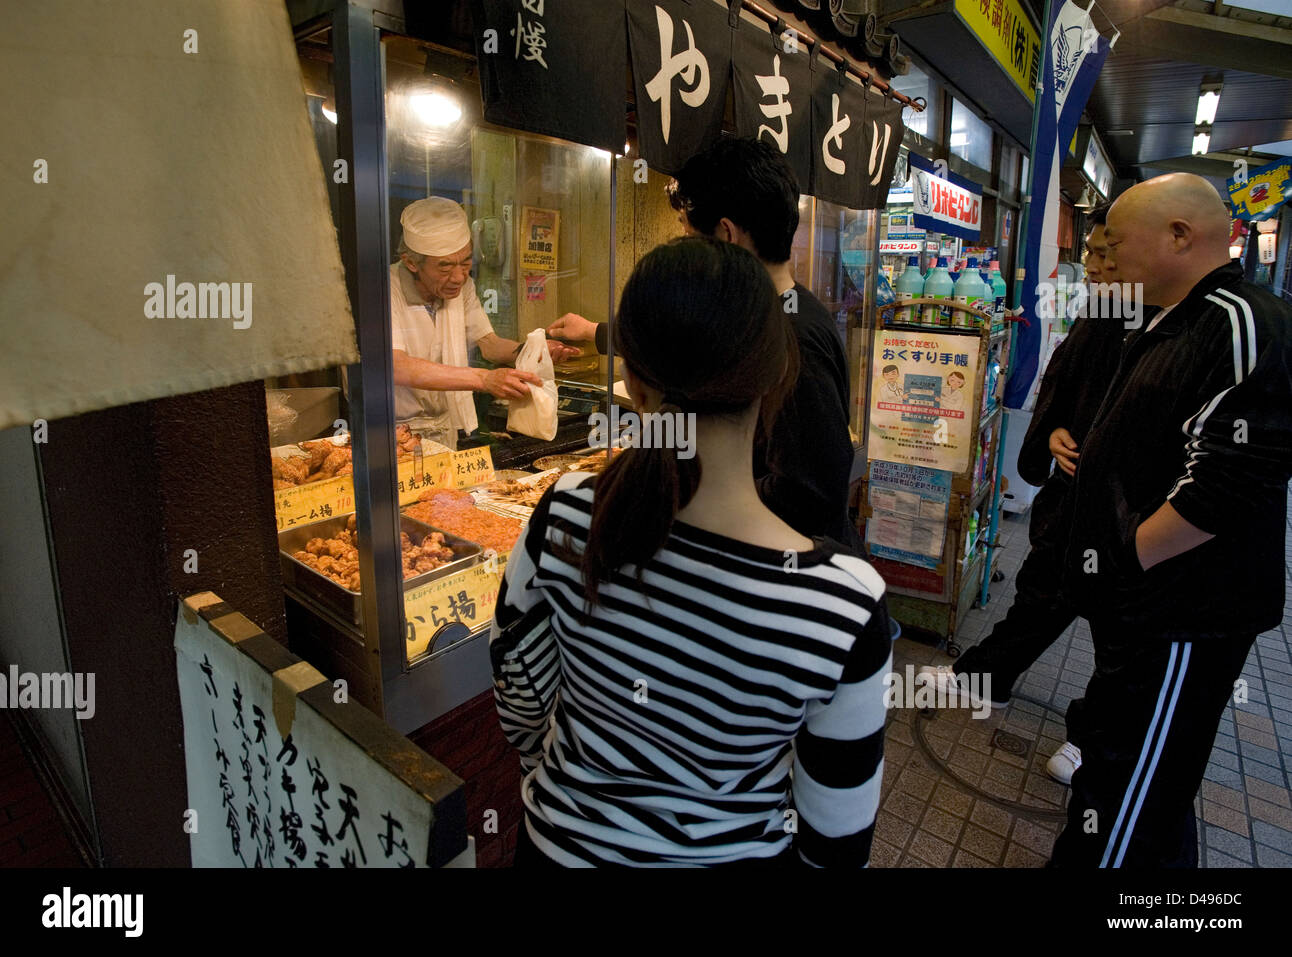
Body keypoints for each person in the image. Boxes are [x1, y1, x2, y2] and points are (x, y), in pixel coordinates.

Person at [490, 237, 892, 867]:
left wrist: (585, 792)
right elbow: (836, 844)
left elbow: (519, 692)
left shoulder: (563, 515)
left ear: (632, 382)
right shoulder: (844, 604)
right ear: (777, 376)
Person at [1050, 173, 1292, 868]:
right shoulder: (1168, 314)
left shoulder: (1241, 322)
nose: (1104, 257)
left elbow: (1227, 478)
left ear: (1181, 236)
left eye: (1116, 243)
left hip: (1181, 616)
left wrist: (1130, 556)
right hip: (1143, 611)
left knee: (1132, 792)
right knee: (1132, 773)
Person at [551, 138, 858, 547]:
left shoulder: (793, 335)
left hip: (779, 575)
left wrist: (703, 496)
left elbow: (811, 495)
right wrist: (596, 333)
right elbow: (682, 343)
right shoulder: (763, 314)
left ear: (726, 235)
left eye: (686, 231)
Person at [917, 204, 1130, 783]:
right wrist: (1056, 429)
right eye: (1091, 249)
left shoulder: (1187, 325)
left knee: (1122, 638)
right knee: (1040, 596)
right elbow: (1069, 386)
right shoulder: (1102, 308)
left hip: (1131, 515)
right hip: (1070, 497)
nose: (1092, 262)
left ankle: (1095, 739)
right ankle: (987, 679)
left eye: (1105, 252)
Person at [390, 197, 579, 448]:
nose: (458, 277)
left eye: (466, 263)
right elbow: (397, 366)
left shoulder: (463, 288)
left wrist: (530, 351)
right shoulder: (385, 289)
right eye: (445, 267)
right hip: (394, 434)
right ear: (411, 262)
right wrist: (484, 379)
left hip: (445, 432)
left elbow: (488, 344)